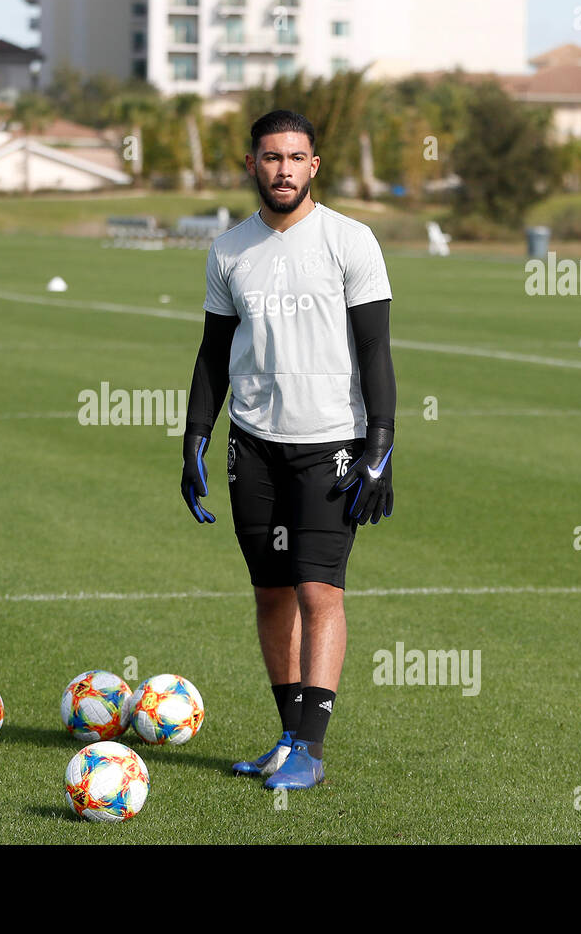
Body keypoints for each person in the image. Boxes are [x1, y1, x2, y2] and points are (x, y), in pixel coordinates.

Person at [181, 109, 397, 790]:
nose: (283, 170)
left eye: (295, 158)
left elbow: (375, 349)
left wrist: (382, 441)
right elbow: (213, 354)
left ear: (315, 166)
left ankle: (312, 747)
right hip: (253, 445)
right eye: (270, 157)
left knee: (318, 590)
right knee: (271, 593)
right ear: (252, 165)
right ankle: (288, 736)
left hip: (330, 443)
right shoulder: (228, 250)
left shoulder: (350, 242)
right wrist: (195, 437)